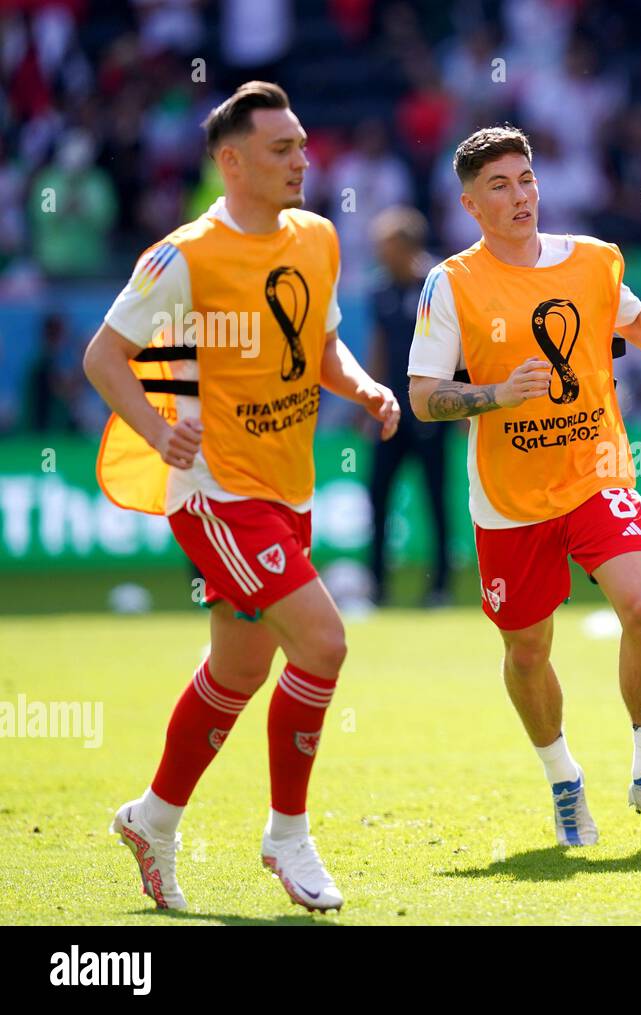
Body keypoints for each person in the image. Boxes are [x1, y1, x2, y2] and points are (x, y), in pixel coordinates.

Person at [83, 81, 400, 911]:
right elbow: (103, 358)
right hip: (215, 492)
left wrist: (365, 388)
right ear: (232, 162)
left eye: (300, 144)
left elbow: (323, 348)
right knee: (324, 643)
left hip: (287, 487)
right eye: (281, 149)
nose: (302, 160)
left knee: (239, 666)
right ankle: (288, 836)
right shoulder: (182, 256)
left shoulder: (319, 237)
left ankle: (151, 819)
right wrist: (160, 437)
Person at [407, 125, 641, 847]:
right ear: (470, 203)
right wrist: (494, 395)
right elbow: (424, 397)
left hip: (596, 470)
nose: (520, 194)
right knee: (527, 651)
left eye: (526, 178)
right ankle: (564, 780)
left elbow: (635, 320)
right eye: (500, 185)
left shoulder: (590, 261)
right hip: (508, 499)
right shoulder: (452, 283)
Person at [367, 206, 451, 606]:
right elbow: (380, 349)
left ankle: (440, 588)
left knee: (436, 498)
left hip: (432, 410)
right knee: (377, 495)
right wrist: (368, 398)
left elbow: (459, 349)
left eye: (386, 246)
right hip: (393, 411)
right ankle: (377, 588)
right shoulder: (381, 291)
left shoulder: (437, 286)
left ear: (405, 245)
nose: (380, 254)